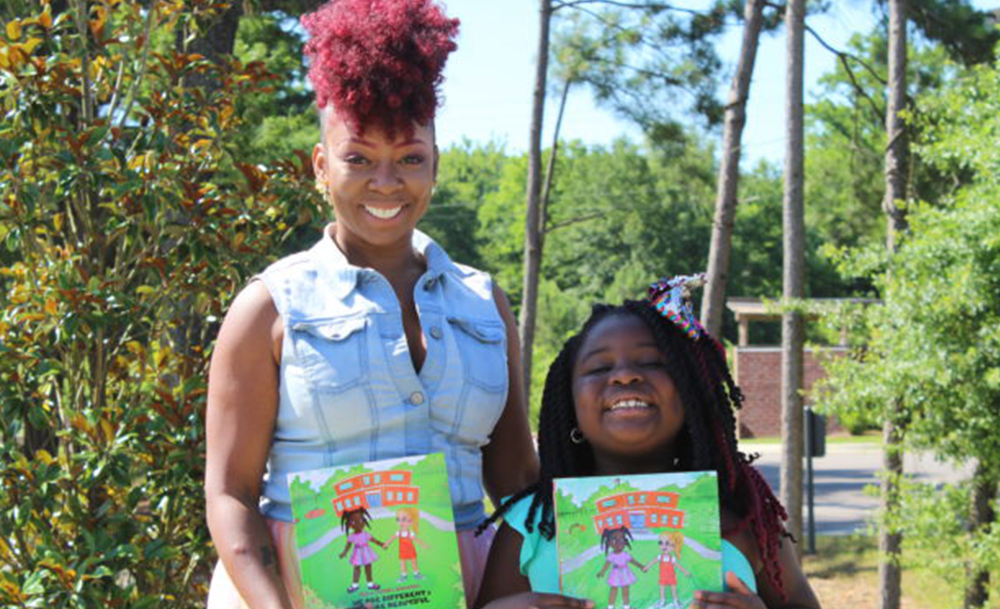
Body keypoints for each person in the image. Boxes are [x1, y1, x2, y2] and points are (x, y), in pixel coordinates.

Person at [203, 1, 538, 607]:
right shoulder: (269, 308)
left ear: (435, 164)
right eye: (358, 158)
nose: (386, 183)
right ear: (321, 166)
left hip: (470, 589)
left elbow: (517, 484)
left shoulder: (486, 301)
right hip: (299, 590)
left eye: (409, 158)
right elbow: (230, 494)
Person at [473, 275, 821, 609]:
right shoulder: (531, 526)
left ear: (692, 392)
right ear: (568, 402)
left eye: (653, 362)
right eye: (598, 368)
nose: (625, 375)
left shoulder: (742, 515)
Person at [595, 526, 644, 609]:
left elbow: (633, 561)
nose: (619, 543)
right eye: (615, 540)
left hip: (625, 573)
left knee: (625, 590)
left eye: (621, 540)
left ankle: (626, 606)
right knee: (614, 590)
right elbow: (607, 564)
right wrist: (602, 571)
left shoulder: (625, 554)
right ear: (609, 543)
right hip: (616, 573)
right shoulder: (612, 555)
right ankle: (610, 606)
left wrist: (641, 566)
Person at [338, 507, 383, 593]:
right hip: (357, 553)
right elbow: (348, 546)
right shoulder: (352, 536)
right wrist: (344, 553)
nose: (358, 524)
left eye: (361, 521)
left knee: (368, 567)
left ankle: (370, 583)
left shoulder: (366, 534)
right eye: (354, 522)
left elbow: (373, 540)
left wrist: (381, 544)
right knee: (357, 568)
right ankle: (355, 585)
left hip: (366, 552)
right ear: (349, 524)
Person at [642, 532, 691, 609]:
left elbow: (678, 566)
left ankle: (675, 600)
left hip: (671, 577)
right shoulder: (659, 557)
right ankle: (662, 600)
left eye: (667, 544)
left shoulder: (672, 558)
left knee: (673, 588)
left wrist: (685, 571)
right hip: (662, 577)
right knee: (662, 588)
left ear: (673, 546)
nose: (663, 546)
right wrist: (647, 567)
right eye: (661, 543)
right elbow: (652, 562)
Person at [382, 507, 429, 582]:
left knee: (413, 562)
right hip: (402, 551)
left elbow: (415, 539)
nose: (401, 523)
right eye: (398, 519)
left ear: (410, 521)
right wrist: (387, 543)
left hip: (411, 550)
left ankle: (416, 574)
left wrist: (422, 544)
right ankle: (403, 575)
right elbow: (392, 538)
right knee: (402, 563)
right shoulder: (399, 533)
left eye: (404, 519)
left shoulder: (410, 533)